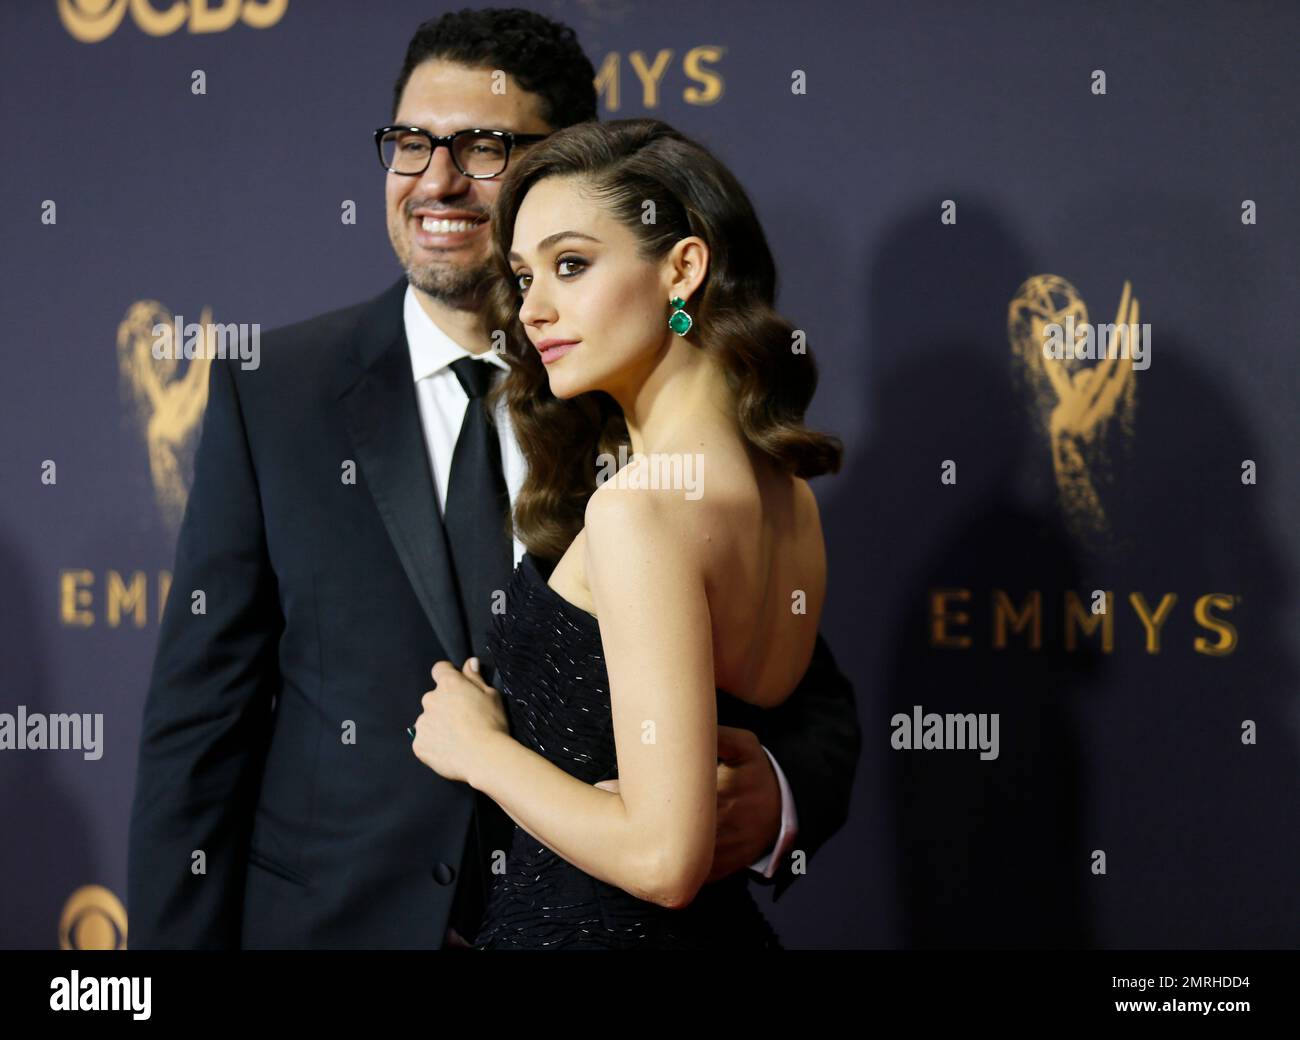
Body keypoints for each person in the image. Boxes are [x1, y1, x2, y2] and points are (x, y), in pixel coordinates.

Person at [126, 8, 860, 950]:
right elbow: (199, 727)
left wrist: (778, 797)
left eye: (482, 148)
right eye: (410, 143)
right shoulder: (273, 395)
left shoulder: (643, 414)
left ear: (566, 160)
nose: (437, 179)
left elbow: (795, 691)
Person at [410, 116, 844, 949]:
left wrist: (478, 749)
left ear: (682, 269)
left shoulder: (639, 510)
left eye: (571, 265)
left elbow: (663, 859)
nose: (533, 311)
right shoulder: (792, 500)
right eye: (523, 277)